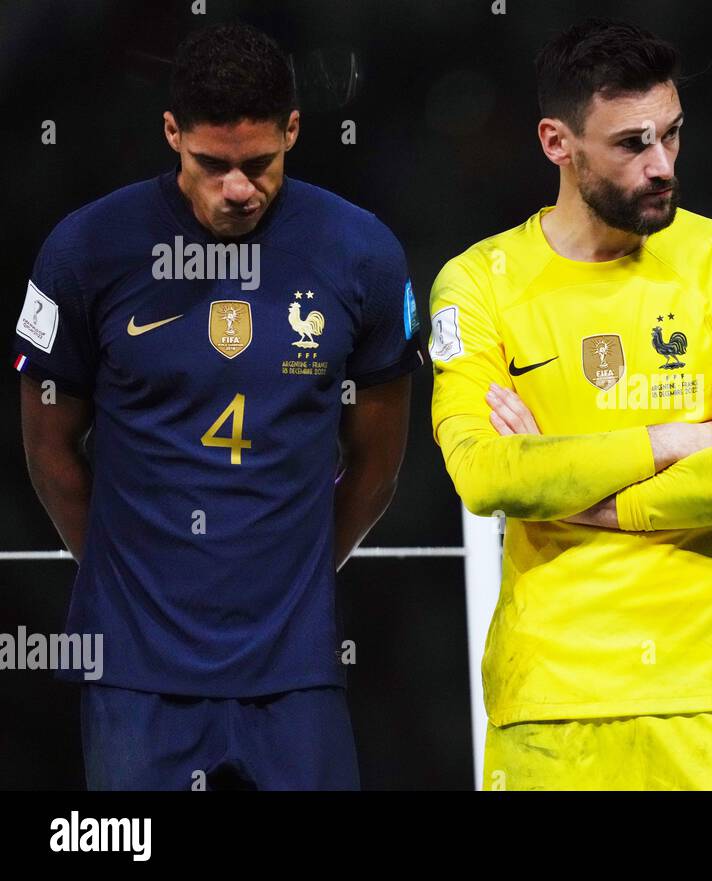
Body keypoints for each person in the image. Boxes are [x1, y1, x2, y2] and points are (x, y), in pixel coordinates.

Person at [12, 23, 422, 789]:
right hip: (133, 663)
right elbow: (48, 447)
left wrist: (291, 572)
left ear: (294, 130)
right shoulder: (85, 249)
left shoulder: (361, 253)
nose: (238, 188)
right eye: (212, 164)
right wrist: (127, 569)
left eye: (259, 164)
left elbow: (378, 462)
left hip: (295, 663)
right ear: (172, 133)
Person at [429, 19, 712, 790]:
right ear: (555, 143)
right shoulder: (477, 284)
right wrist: (677, 437)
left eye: (672, 135)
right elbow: (487, 477)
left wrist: (581, 497)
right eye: (633, 144)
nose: (663, 164)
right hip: (552, 704)